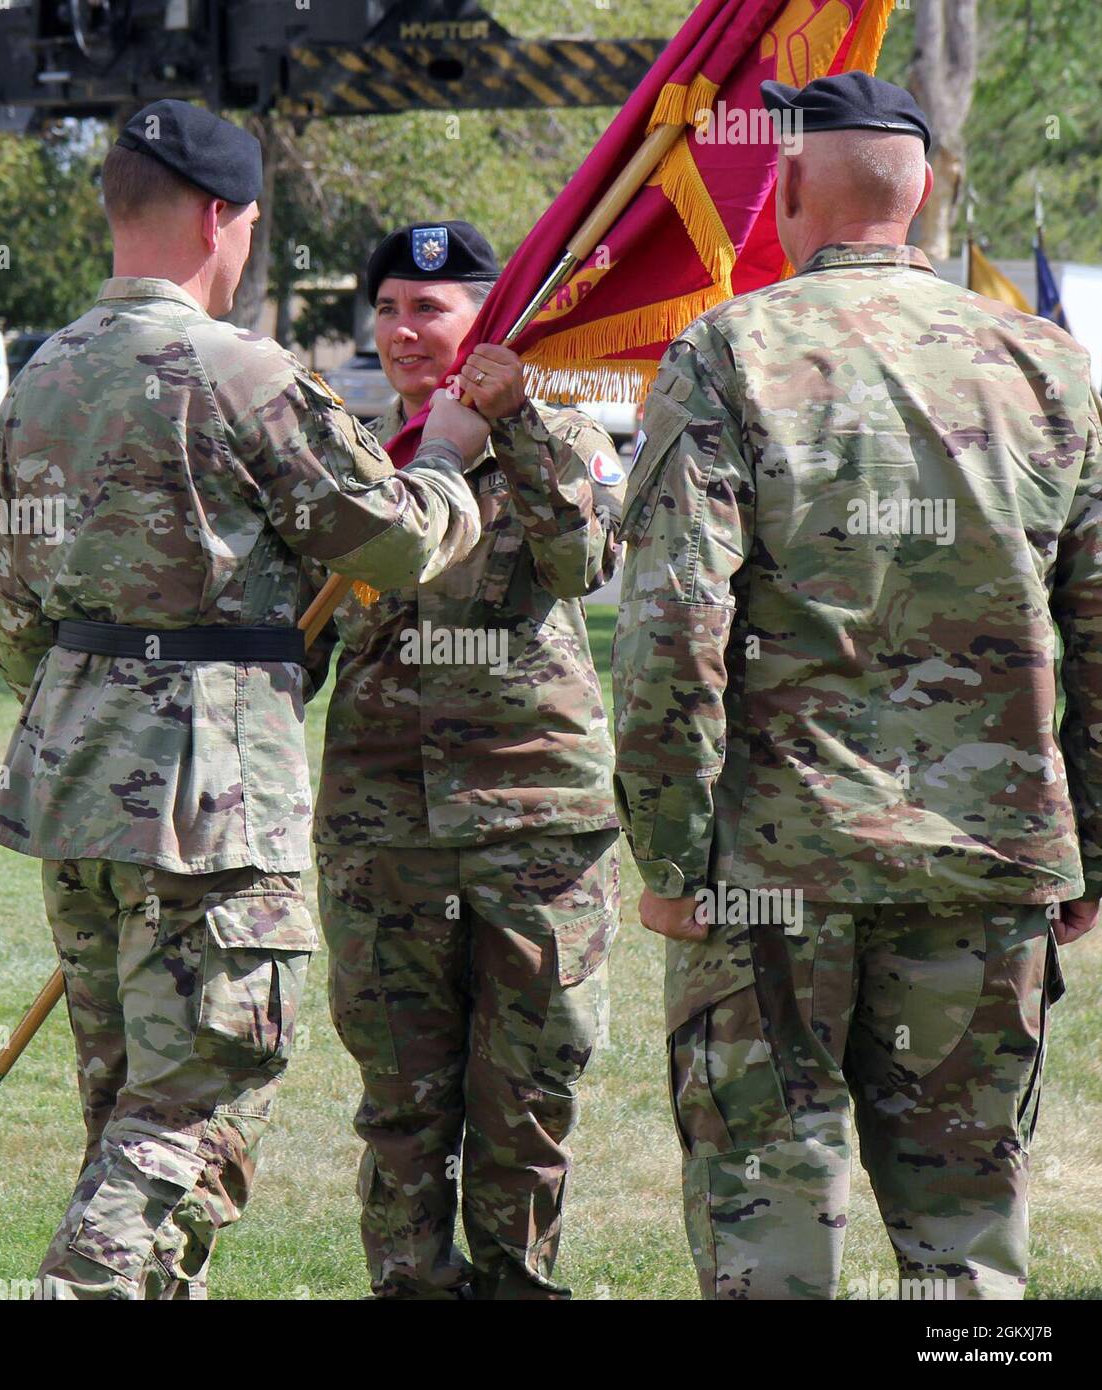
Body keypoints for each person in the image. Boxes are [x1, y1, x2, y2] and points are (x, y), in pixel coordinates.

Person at [0, 100, 489, 1300]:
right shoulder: (245, 371)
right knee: (200, 1085)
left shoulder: (41, 374)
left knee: (123, 1105)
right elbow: (400, 546)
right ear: (222, 220)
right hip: (206, 800)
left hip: (70, 780)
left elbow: (14, 620)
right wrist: (451, 454)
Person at [613, 71, 1099, 1300]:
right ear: (922, 190)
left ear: (782, 192)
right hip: (985, 863)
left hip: (776, 878)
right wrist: (1088, 838)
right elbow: (1095, 629)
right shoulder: (1048, 370)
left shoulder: (727, 353)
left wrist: (669, 856)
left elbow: (673, 626)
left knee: (770, 1234)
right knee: (969, 1241)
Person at [312, 220, 627, 1299]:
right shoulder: (352, 458)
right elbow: (291, 644)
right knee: (401, 1101)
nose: (405, 331)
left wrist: (516, 417)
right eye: (389, 307)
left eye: (431, 309)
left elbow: (582, 559)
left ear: (485, 321)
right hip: (383, 831)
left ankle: (519, 1287)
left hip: (533, 825)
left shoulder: (564, 436)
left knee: (528, 1098)